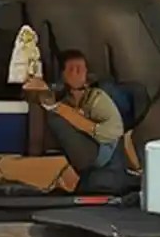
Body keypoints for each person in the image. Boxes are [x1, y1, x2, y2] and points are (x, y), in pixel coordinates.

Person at [39, 49, 125, 192]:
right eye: (72, 69)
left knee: (56, 117)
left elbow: (112, 133)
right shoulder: (64, 97)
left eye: (80, 69)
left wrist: (69, 115)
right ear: (63, 74)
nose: (77, 73)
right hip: (86, 156)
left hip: (104, 150)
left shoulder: (97, 99)